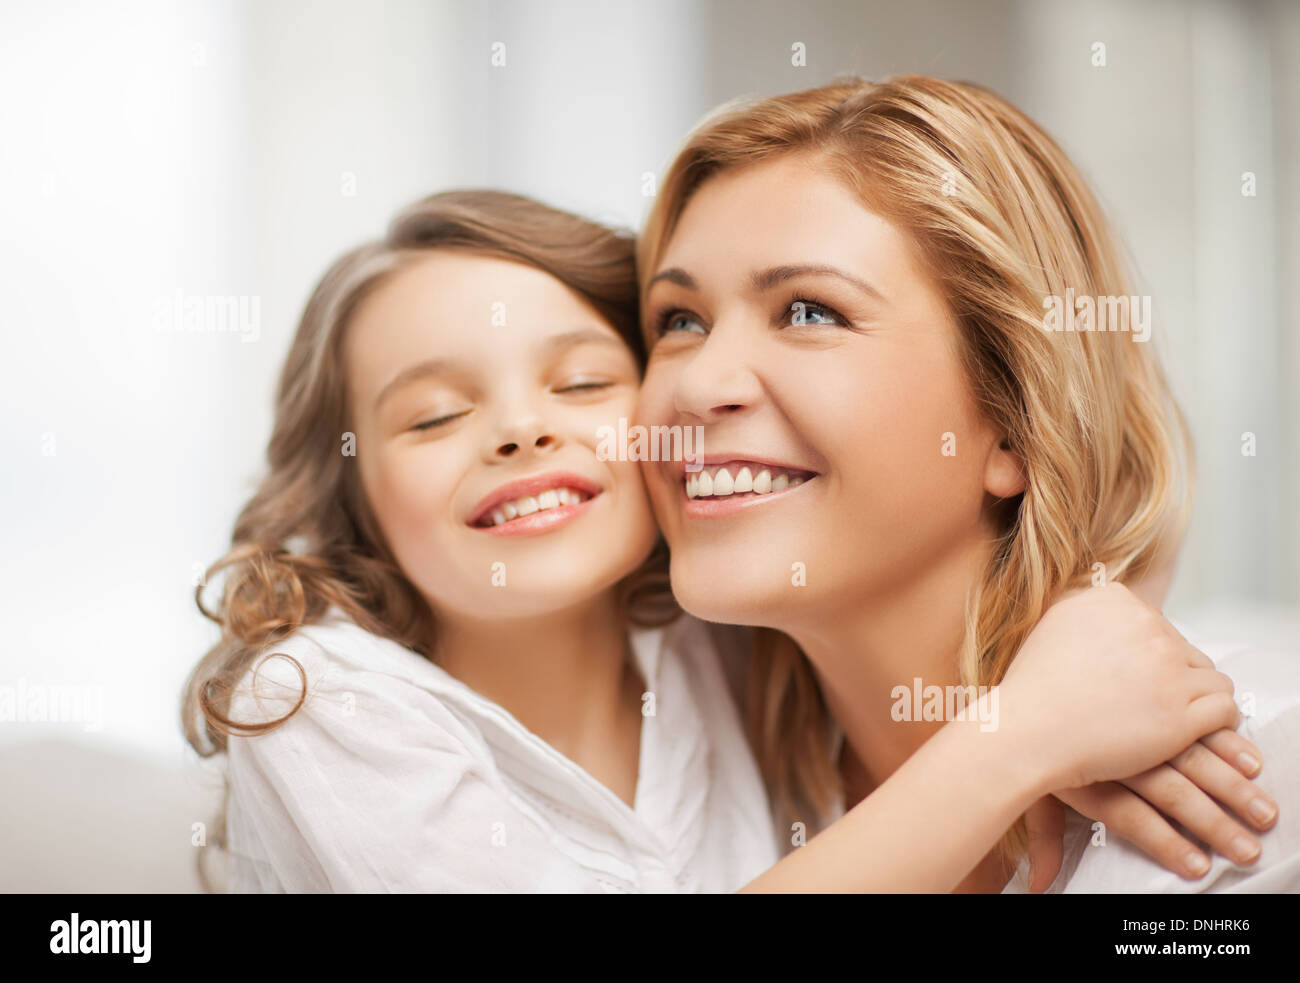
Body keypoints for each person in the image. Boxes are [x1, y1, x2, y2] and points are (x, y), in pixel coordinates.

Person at [182, 188, 1272, 893]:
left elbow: (932, 537)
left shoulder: (719, 647)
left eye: (584, 380)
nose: (519, 429)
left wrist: (1090, 606)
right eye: (429, 417)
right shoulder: (324, 697)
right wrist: (1017, 734)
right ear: (346, 491)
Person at [633, 74, 1298, 892]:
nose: (698, 385)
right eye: (679, 321)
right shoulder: (686, 790)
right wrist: (1010, 743)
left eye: (809, 312)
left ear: (1016, 418)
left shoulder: (1254, 777)